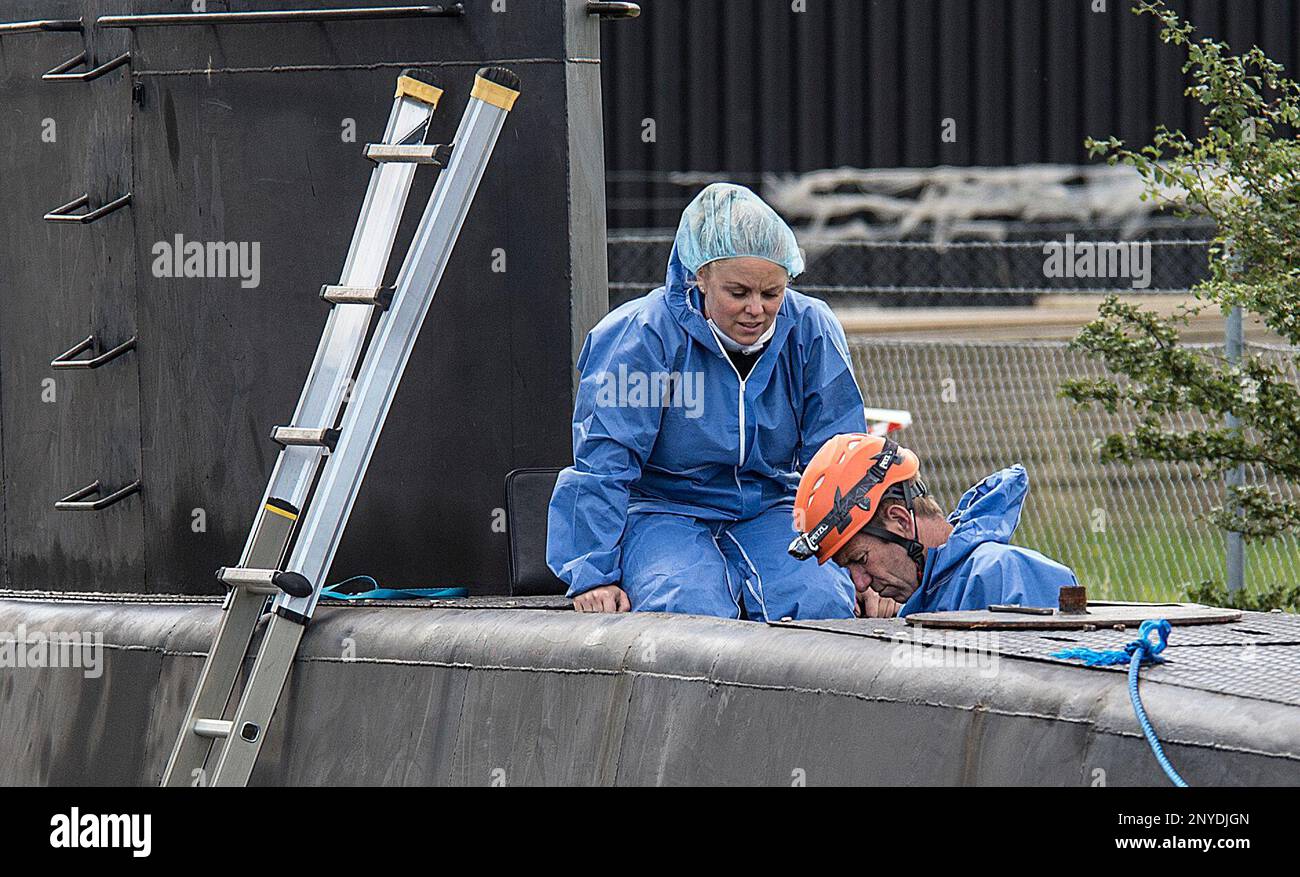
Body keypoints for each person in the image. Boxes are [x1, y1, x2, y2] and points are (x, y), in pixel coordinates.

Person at [547, 183, 867, 620]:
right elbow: (605, 462)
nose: (756, 309)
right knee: (686, 607)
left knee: (823, 601)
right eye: (738, 293)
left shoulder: (811, 329)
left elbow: (841, 459)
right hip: (661, 509)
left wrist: (862, 568)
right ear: (699, 276)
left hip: (770, 506)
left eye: (772, 293)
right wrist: (594, 574)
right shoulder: (642, 336)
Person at [788, 433, 1076, 617]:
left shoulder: (1005, 574)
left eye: (861, 560)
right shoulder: (922, 601)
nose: (861, 583)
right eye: (849, 570)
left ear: (900, 520)